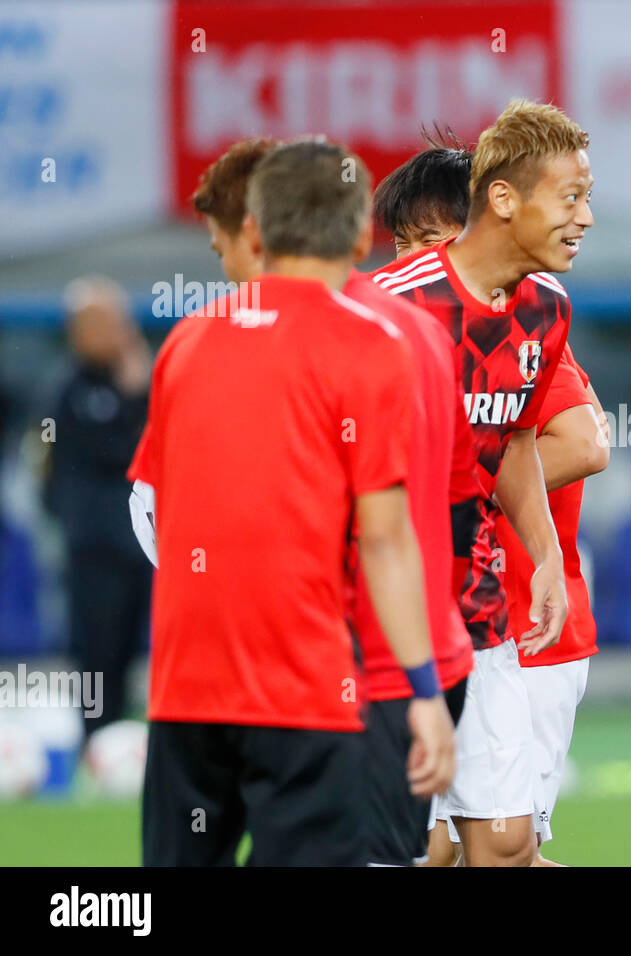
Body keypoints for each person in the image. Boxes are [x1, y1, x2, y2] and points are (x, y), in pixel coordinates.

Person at [134, 136, 473, 866]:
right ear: (360, 234)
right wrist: (421, 690)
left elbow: (160, 509)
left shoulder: (184, 343)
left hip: (183, 690)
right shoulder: (373, 343)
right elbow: (384, 538)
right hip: (303, 689)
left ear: (254, 230)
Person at [375, 133, 609, 864]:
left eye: (415, 241)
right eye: (571, 198)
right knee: (422, 849)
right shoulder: (387, 317)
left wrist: (539, 552)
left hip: (507, 619)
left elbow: (564, 441)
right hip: (390, 619)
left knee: (495, 847)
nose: (586, 218)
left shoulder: (541, 315)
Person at [46, 275, 152, 740]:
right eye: (108, 322)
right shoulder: (66, 391)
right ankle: (93, 737)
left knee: (131, 650)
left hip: (137, 551)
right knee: (95, 650)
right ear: (80, 330)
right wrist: (133, 397)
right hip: (93, 552)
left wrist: (140, 393)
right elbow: (108, 453)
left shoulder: (139, 384)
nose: (122, 332)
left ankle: (118, 738)